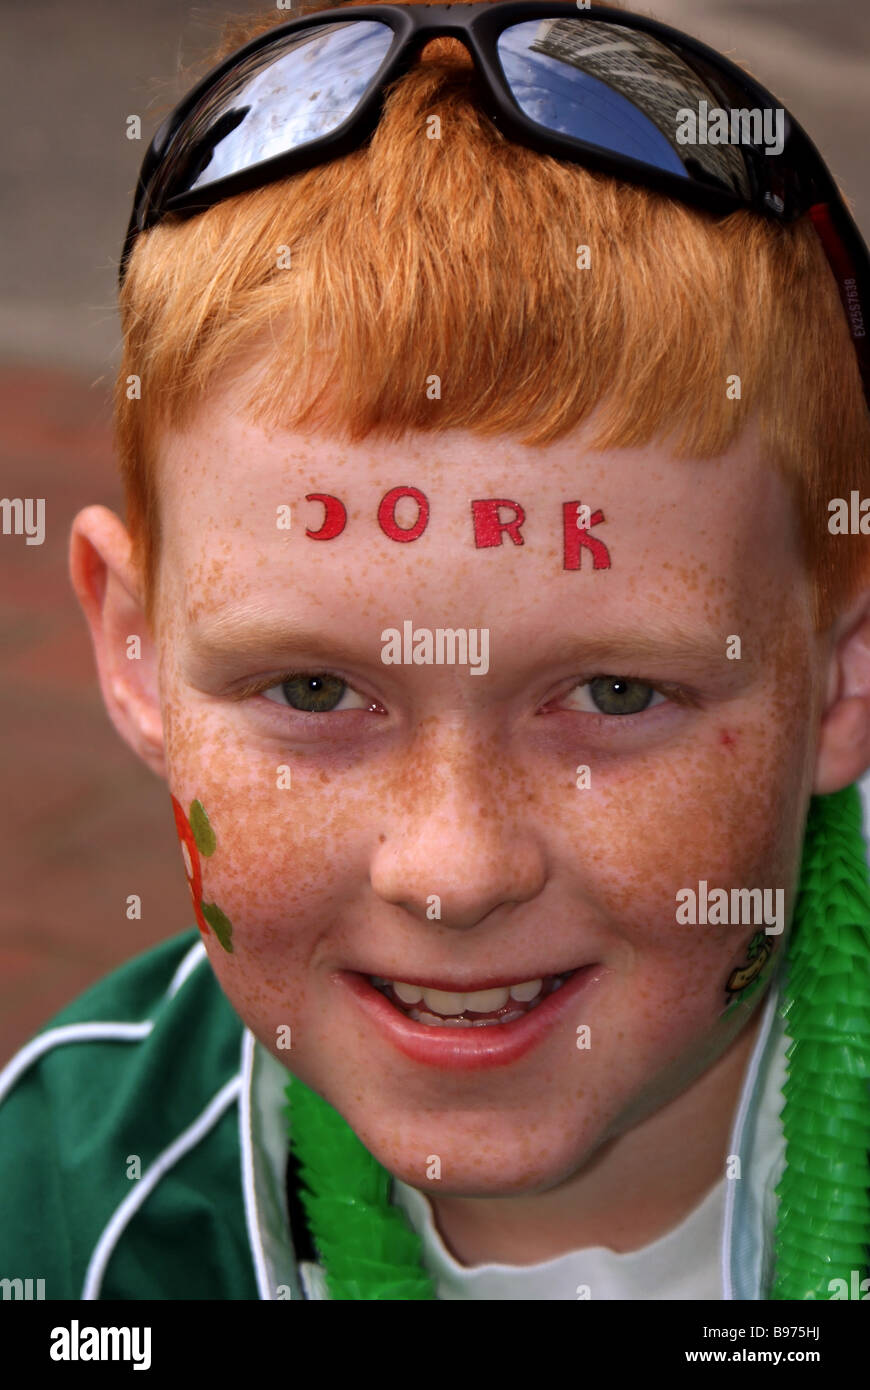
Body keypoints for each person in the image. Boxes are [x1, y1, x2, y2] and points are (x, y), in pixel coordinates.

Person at [1, 0, 869, 1301]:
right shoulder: (68, 1214)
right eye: (312, 689)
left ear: (844, 667)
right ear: (133, 652)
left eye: (613, 692)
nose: (454, 871)